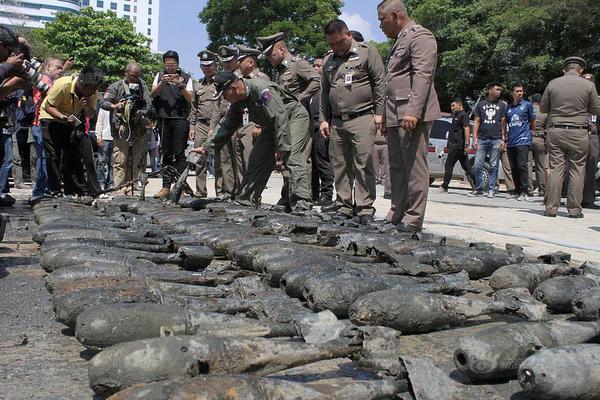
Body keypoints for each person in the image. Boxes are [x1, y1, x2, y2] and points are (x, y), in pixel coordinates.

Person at [192, 71, 311, 211]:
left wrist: (282, 146)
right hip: (272, 124)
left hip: (293, 118)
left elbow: (280, 115)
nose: (224, 98)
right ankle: (246, 200)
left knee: (292, 157)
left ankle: (302, 204)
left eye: (224, 94)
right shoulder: (238, 101)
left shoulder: (261, 89)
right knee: (257, 159)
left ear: (234, 89)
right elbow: (226, 126)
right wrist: (206, 147)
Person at [377, 0, 441, 233]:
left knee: (414, 168)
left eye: (382, 20)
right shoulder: (399, 41)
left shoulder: (420, 36)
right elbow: (391, 81)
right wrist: (385, 115)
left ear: (395, 15)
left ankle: (413, 218)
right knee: (397, 168)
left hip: (412, 114)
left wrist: (413, 111)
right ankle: (397, 211)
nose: (380, 26)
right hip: (395, 113)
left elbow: (423, 75)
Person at [319, 19, 385, 225]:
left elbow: (380, 83)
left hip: (363, 117)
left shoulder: (367, 52)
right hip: (337, 122)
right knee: (340, 165)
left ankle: (365, 207)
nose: (336, 48)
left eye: (339, 42)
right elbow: (324, 93)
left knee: (363, 163)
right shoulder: (329, 61)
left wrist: (380, 113)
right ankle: (343, 206)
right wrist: (323, 120)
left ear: (348, 35)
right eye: (331, 44)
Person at [257, 31, 319, 209]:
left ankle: (302, 199)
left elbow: (316, 80)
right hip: (286, 120)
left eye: (271, 53)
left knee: (298, 158)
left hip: (300, 117)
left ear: (282, 49)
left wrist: (300, 99)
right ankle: (288, 196)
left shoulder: (297, 64)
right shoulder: (279, 71)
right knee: (286, 158)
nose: (269, 57)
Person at [541, 57, 600, 218]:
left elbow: (544, 107)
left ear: (565, 69)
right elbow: (596, 110)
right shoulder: (588, 85)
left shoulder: (553, 83)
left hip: (556, 130)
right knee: (577, 170)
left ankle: (551, 208)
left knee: (556, 169)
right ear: (581, 70)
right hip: (578, 132)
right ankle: (574, 209)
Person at [39, 65, 103, 196]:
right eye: (91, 90)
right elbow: (48, 106)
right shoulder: (63, 84)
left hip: (71, 121)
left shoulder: (92, 93)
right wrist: (62, 117)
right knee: (53, 155)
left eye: (95, 90)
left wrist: (88, 106)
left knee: (72, 154)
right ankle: (55, 189)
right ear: (81, 84)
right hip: (51, 118)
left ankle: (73, 188)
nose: (92, 93)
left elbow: (91, 115)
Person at [101, 62, 152, 194]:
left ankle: (133, 185)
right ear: (126, 73)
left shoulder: (142, 86)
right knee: (120, 159)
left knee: (136, 159)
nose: (135, 79)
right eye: (133, 76)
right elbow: (104, 102)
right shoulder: (116, 86)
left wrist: (141, 111)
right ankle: (119, 187)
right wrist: (116, 106)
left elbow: (148, 105)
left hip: (137, 127)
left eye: (138, 76)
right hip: (121, 128)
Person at [151, 51, 193, 199]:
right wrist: (163, 82)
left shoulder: (186, 78)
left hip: (180, 118)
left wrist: (180, 85)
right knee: (166, 153)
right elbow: (153, 93)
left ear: (178, 64)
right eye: (167, 65)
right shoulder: (159, 76)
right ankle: (165, 187)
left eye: (173, 65)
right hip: (163, 119)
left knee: (180, 154)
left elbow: (191, 99)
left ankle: (180, 187)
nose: (170, 68)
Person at [234, 45, 270, 189]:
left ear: (251, 62)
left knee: (250, 159)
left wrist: (259, 125)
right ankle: (242, 192)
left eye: (241, 60)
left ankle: (252, 192)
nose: (238, 63)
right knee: (239, 162)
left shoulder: (261, 79)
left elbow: (267, 104)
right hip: (241, 122)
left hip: (254, 123)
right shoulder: (240, 79)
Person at [29, 57, 64, 200]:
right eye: (58, 67)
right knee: (44, 158)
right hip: (40, 123)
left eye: (62, 68)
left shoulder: (51, 81)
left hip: (47, 124)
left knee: (48, 157)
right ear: (48, 66)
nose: (60, 71)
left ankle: (46, 189)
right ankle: (40, 191)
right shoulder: (43, 80)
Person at [210, 45, 241, 199]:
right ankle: (229, 192)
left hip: (241, 123)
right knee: (225, 159)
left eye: (230, 61)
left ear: (236, 61)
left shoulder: (243, 78)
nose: (227, 65)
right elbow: (216, 107)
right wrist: (212, 127)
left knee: (241, 160)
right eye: (225, 62)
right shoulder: (221, 79)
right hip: (224, 122)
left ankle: (242, 193)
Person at [189, 50, 219, 198]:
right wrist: (192, 126)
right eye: (203, 65)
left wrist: (213, 127)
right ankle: (200, 192)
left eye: (209, 65)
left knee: (220, 159)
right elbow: (194, 107)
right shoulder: (197, 84)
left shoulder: (221, 82)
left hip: (218, 125)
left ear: (215, 65)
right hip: (200, 125)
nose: (206, 68)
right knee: (199, 159)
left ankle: (221, 192)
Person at [469, 82, 507, 198]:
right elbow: (476, 122)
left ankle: (491, 189)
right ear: (490, 90)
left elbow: (503, 123)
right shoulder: (480, 105)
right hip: (482, 138)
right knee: (477, 164)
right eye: (497, 89)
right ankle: (479, 188)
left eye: (500, 90)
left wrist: (503, 139)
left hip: (496, 138)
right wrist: (474, 139)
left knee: (494, 165)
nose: (499, 92)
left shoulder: (502, 105)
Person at [309, 57, 334, 206]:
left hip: (322, 128)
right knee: (313, 164)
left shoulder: (328, 88)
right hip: (311, 129)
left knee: (323, 161)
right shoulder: (312, 90)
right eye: (315, 65)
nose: (316, 68)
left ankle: (327, 194)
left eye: (319, 66)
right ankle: (314, 192)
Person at [505, 83, 536, 201]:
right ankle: (517, 190)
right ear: (512, 92)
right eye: (517, 91)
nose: (520, 93)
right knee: (513, 166)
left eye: (521, 91)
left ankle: (524, 191)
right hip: (511, 141)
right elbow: (505, 123)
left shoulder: (527, 105)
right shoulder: (508, 108)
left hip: (523, 140)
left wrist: (532, 132)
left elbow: (533, 120)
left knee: (522, 166)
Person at [438, 98, 473, 193]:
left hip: (457, 145)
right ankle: (478, 185)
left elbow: (467, 129)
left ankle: (444, 186)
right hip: (454, 145)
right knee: (467, 167)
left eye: (454, 106)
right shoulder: (456, 116)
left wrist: (467, 145)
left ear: (460, 105)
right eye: (451, 106)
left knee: (449, 165)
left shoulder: (463, 115)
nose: (452, 108)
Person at [582, 73, 599, 209]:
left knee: (591, 168)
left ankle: (588, 198)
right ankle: (574, 196)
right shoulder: (578, 99)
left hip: (594, 136)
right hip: (577, 134)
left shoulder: (598, 100)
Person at [528, 93, 549, 197]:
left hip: (528, 139)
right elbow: (548, 128)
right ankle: (542, 189)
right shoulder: (544, 112)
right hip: (540, 139)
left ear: (532, 100)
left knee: (528, 165)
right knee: (540, 166)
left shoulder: (529, 109)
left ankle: (529, 189)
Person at [94, 108, 114, 191]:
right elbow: (99, 123)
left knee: (113, 163)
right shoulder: (103, 109)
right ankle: (101, 183)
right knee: (102, 162)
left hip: (114, 138)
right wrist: (98, 137)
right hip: (104, 138)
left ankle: (111, 183)